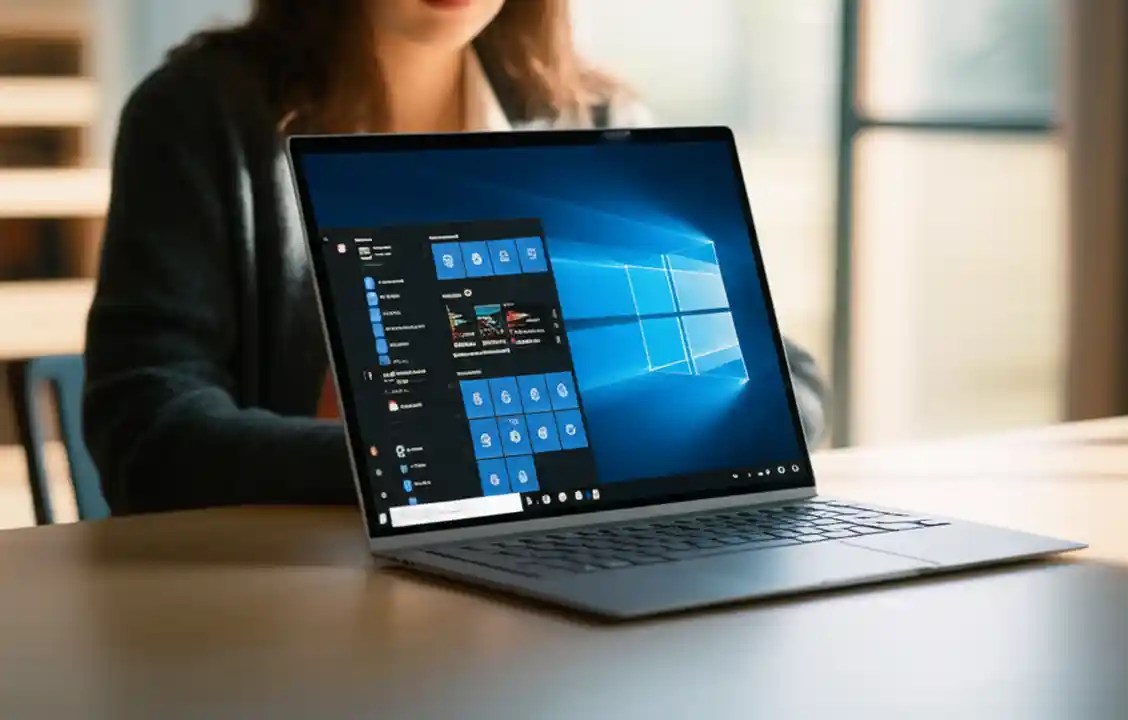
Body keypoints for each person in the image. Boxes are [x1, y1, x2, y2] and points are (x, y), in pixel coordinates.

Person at [85, 0, 828, 515]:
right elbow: (148, 431)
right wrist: (430, 463)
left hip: (568, 582)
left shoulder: (595, 121)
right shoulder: (195, 117)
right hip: (292, 603)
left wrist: (535, 456)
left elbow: (786, 386)